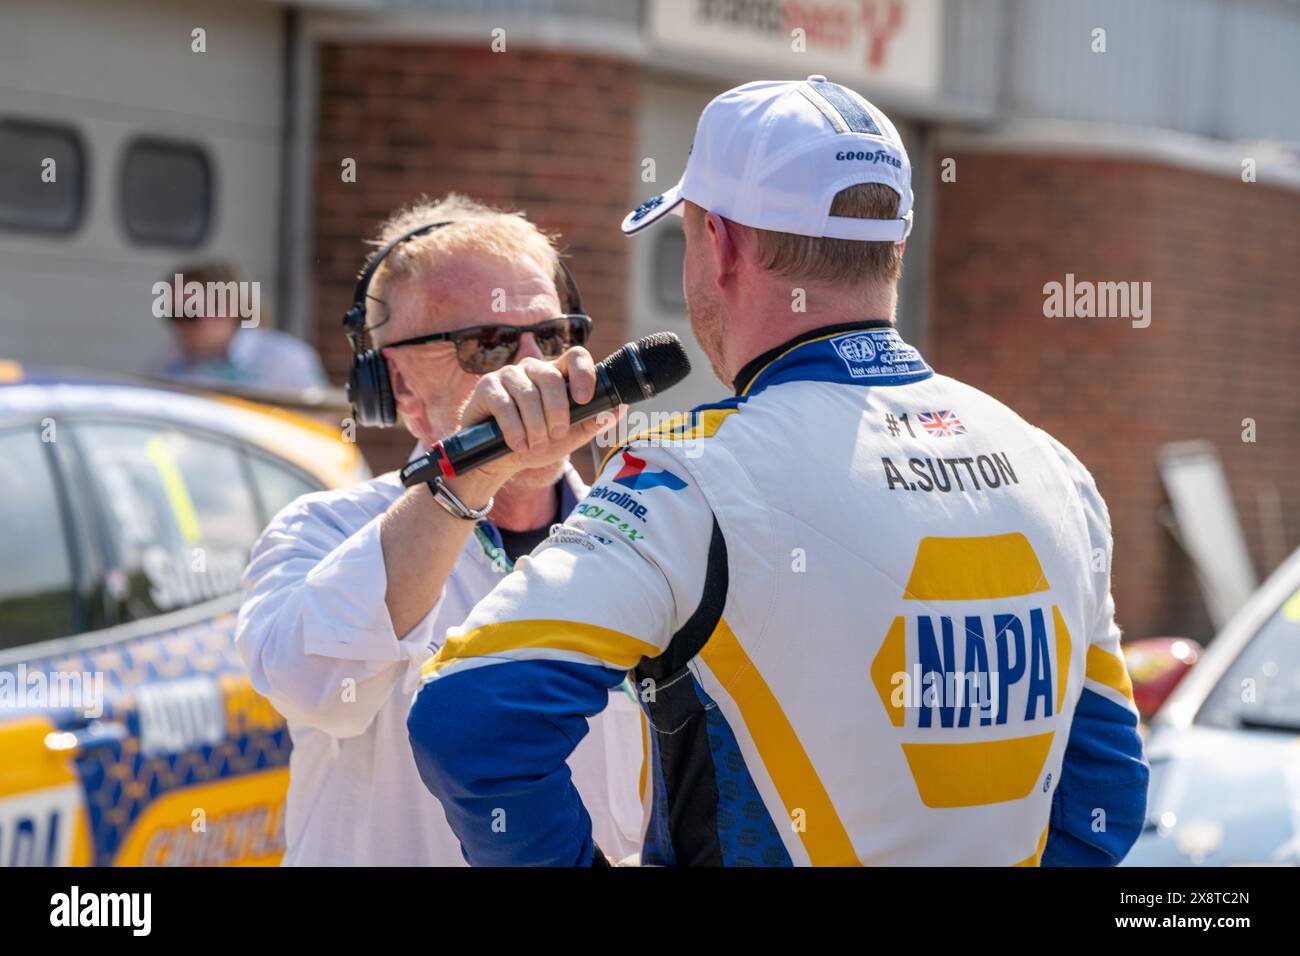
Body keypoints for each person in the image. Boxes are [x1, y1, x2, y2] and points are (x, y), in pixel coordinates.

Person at [407, 77, 1149, 866]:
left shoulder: (689, 478)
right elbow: (1105, 796)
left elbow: (466, 718)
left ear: (719, 244)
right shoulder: (1053, 467)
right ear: (893, 248)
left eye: (685, 237)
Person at [236, 195, 645, 866]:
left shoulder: (646, 539)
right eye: (486, 345)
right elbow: (315, 682)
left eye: (553, 336)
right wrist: (469, 476)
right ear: (399, 385)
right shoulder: (322, 529)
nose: (533, 367)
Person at [144, 261, 327, 392]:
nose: (180, 326)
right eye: (173, 314)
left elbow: (321, 426)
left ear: (228, 308)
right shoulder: (167, 362)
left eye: (191, 314)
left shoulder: (285, 361)